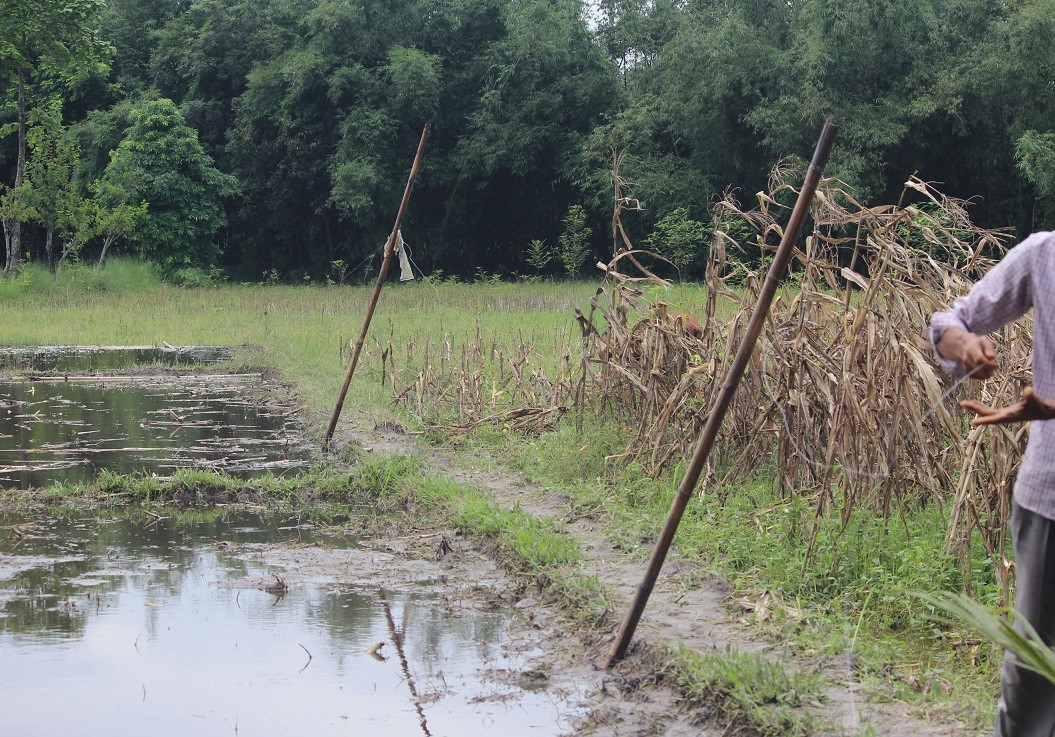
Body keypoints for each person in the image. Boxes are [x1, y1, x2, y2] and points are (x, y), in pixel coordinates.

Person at [930, 230, 1055, 737]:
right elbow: (947, 321)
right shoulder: (1044, 255)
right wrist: (966, 348)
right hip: (1050, 501)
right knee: (1032, 679)